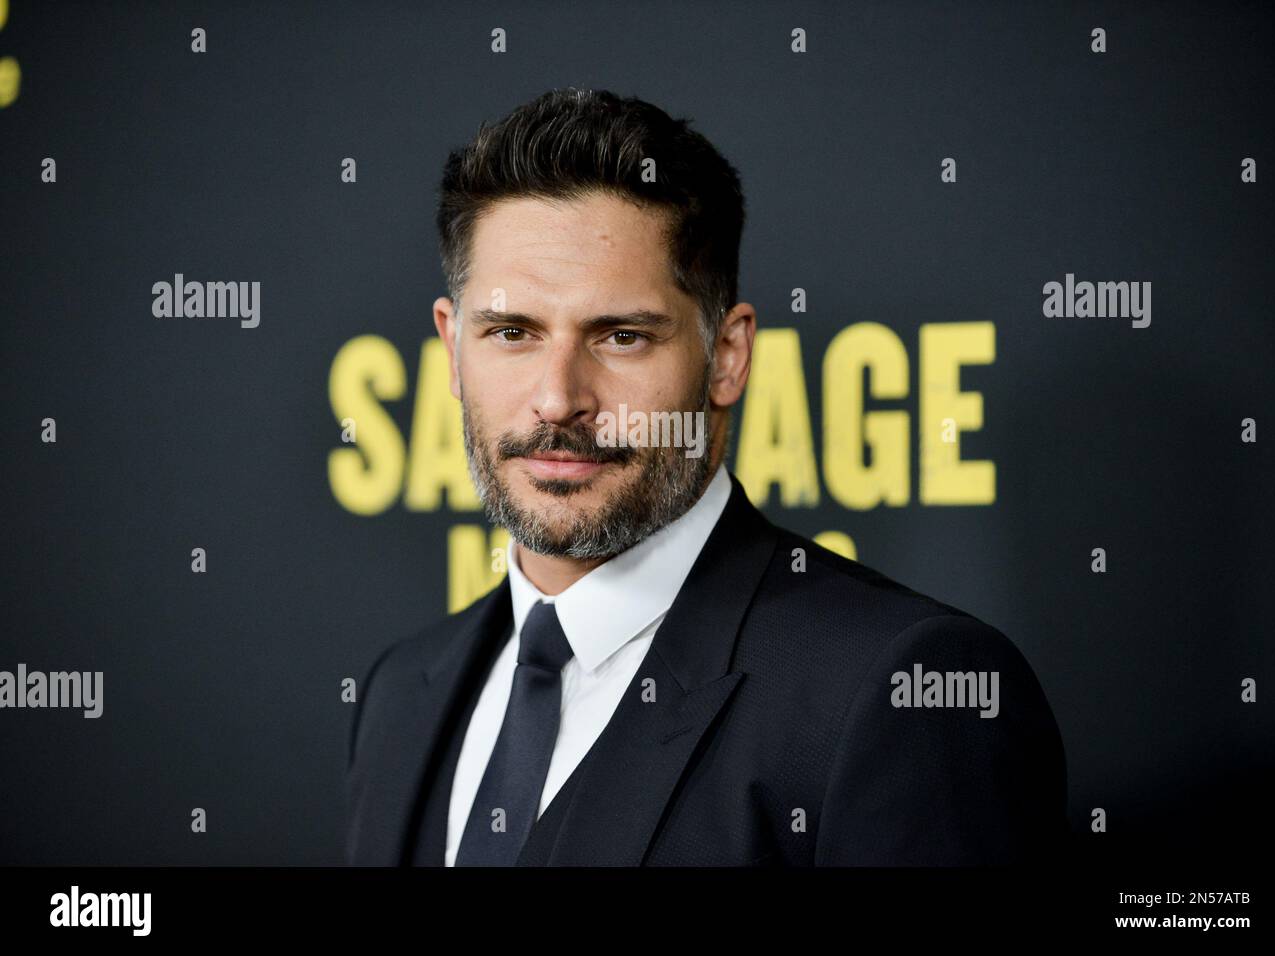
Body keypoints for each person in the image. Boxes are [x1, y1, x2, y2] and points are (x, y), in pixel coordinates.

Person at [344, 88, 1066, 866]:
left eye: (621, 336)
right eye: (511, 333)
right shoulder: (399, 695)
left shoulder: (903, 696)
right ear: (453, 349)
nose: (559, 399)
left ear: (727, 356)